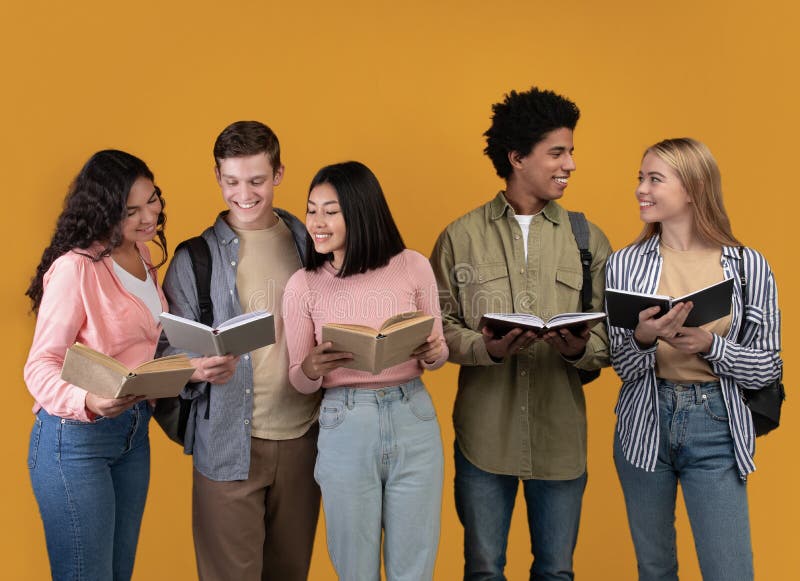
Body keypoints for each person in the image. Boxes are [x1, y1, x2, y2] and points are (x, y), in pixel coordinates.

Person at [430, 86, 612, 580]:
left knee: (556, 573)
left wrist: (581, 351)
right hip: (484, 438)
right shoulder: (459, 237)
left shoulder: (587, 239)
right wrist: (483, 347)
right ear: (517, 158)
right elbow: (437, 329)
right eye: (558, 152)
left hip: (561, 438)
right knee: (485, 571)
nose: (570, 163)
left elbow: (611, 332)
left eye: (571, 151)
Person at [606, 138, 781, 580]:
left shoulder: (747, 266)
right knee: (655, 569)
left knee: (729, 571)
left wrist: (711, 345)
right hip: (645, 421)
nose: (640, 189)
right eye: (640, 178)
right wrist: (644, 339)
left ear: (692, 188)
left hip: (716, 424)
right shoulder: (623, 265)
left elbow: (768, 367)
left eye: (654, 179)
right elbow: (623, 368)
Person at [159, 121, 319, 580]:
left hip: (305, 439)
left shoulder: (312, 244)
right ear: (217, 176)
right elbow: (163, 353)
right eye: (231, 181)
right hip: (228, 444)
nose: (243, 193)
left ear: (279, 173)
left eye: (256, 181)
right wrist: (194, 369)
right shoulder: (195, 258)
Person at [283, 161, 447, 581]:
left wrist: (432, 351)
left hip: (414, 415)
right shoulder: (303, 284)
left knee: (415, 565)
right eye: (311, 209)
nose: (316, 223)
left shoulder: (413, 265)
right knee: (355, 567)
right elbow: (298, 380)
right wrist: (311, 367)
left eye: (330, 211)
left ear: (360, 211)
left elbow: (439, 350)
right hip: (345, 418)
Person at [24, 149, 168, 580]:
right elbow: (40, 366)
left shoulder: (142, 258)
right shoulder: (76, 268)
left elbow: (140, 348)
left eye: (152, 200)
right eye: (132, 211)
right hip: (75, 442)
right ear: (105, 211)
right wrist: (88, 399)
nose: (149, 217)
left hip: (132, 436)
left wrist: (193, 369)